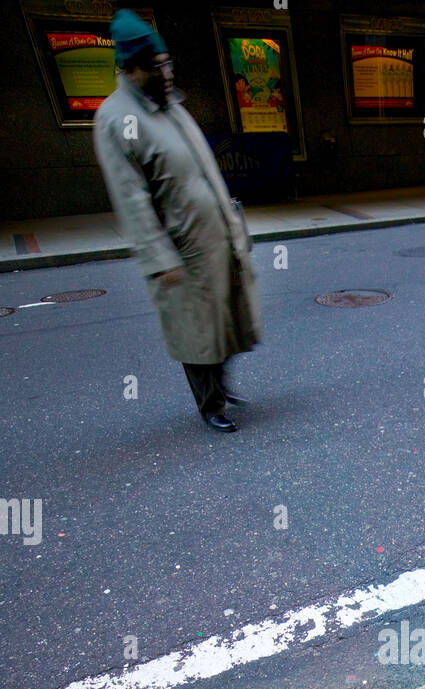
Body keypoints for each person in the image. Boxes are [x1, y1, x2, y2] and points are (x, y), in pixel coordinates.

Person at [94, 10, 261, 431]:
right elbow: (130, 198)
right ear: (129, 68)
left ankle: (221, 386)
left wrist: (232, 224)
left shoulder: (169, 105)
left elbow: (203, 169)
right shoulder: (116, 119)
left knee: (227, 317)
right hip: (180, 248)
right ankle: (211, 406)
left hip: (216, 235)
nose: (167, 72)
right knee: (195, 331)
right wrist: (158, 257)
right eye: (156, 66)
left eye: (168, 62)